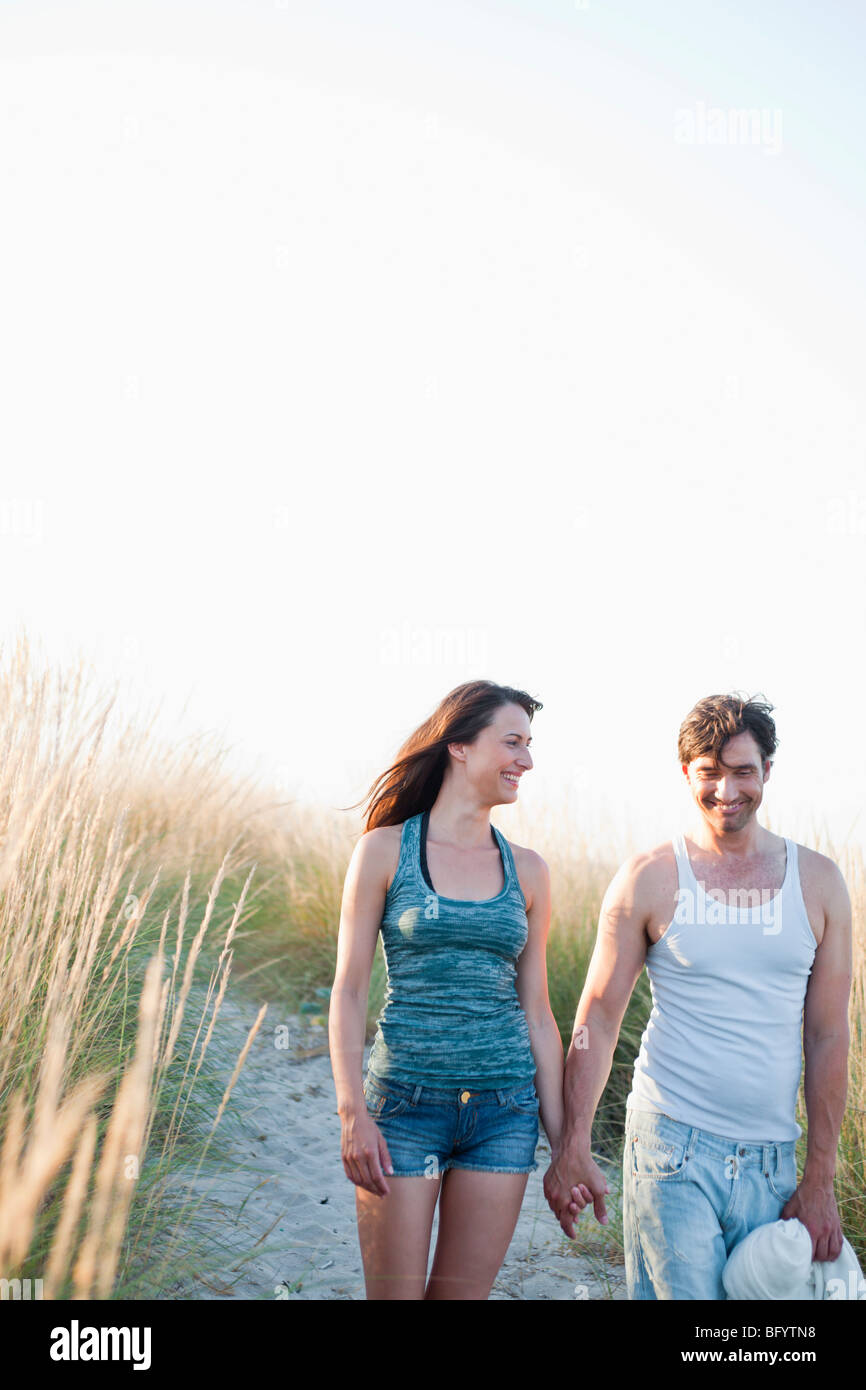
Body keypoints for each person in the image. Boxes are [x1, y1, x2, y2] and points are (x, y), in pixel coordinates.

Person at [544, 693, 853, 1300]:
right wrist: (572, 1144)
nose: (726, 791)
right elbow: (599, 1018)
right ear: (687, 773)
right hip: (670, 1147)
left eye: (743, 772)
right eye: (709, 774)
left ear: (767, 771)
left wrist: (820, 1177)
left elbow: (827, 1035)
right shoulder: (649, 876)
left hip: (773, 1159)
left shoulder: (819, 882)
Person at [329, 680, 565, 1300]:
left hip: (504, 1113)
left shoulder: (531, 870)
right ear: (459, 745)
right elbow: (349, 992)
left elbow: (537, 1015)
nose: (527, 761)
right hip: (403, 1107)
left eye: (529, 744)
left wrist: (567, 1145)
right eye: (512, 742)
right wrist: (353, 1111)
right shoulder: (383, 851)